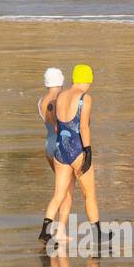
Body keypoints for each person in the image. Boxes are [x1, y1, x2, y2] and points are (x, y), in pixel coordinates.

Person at [39, 64, 103, 250]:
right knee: (89, 194)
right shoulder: (85, 98)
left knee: (59, 194)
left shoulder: (61, 97)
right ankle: (98, 234)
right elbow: (83, 127)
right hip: (77, 149)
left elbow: (58, 125)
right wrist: (88, 151)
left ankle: (45, 230)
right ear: (88, 80)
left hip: (60, 150)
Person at [37, 66, 71, 236]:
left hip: (48, 145)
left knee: (60, 188)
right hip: (60, 145)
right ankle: (60, 232)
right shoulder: (57, 101)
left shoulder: (41, 100)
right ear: (61, 81)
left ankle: (55, 230)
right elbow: (59, 126)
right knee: (66, 190)